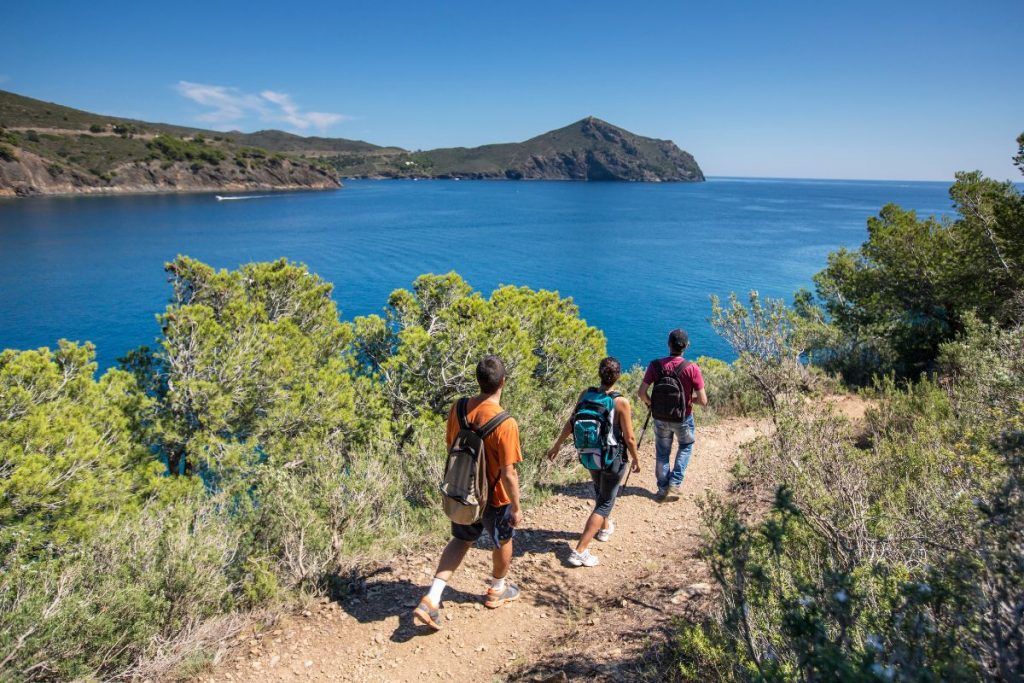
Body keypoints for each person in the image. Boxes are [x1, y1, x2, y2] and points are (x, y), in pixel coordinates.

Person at [413, 355, 524, 630]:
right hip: (495, 498)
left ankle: (432, 597)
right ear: (503, 382)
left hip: (463, 491)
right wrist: (516, 506)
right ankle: (497, 590)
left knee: (460, 540)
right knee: (502, 541)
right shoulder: (505, 423)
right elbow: (509, 472)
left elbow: (451, 443)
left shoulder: (459, 407)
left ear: (479, 381)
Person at [545, 357, 640, 568]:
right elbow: (630, 437)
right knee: (605, 502)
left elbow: (571, 423)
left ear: (599, 373)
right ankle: (579, 551)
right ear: (618, 376)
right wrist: (635, 459)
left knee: (600, 490)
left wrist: (557, 445)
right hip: (612, 458)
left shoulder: (585, 395)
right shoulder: (620, 402)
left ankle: (604, 529)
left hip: (589, 454)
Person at [637, 329, 708, 501]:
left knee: (662, 452)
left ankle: (662, 488)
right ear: (687, 346)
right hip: (683, 417)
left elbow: (641, 393)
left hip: (660, 416)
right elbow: (704, 400)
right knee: (685, 446)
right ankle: (675, 482)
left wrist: (650, 403)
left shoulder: (655, 365)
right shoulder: (692, 368)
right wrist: (688, 400)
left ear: (668, 344)